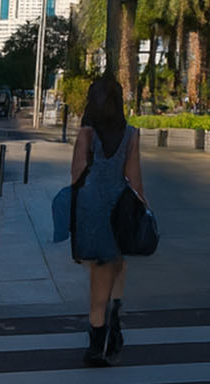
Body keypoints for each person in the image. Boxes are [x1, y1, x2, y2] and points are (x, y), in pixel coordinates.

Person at [69, 75, 143, 367]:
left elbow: (76, 175)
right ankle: (114, 327)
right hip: (121, 211)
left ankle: (97, 343)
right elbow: (136, 181)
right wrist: (142, 211)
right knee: (117, 266)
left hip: (93, 210)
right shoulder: (131, 134)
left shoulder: (86, 134)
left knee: (98, 275)